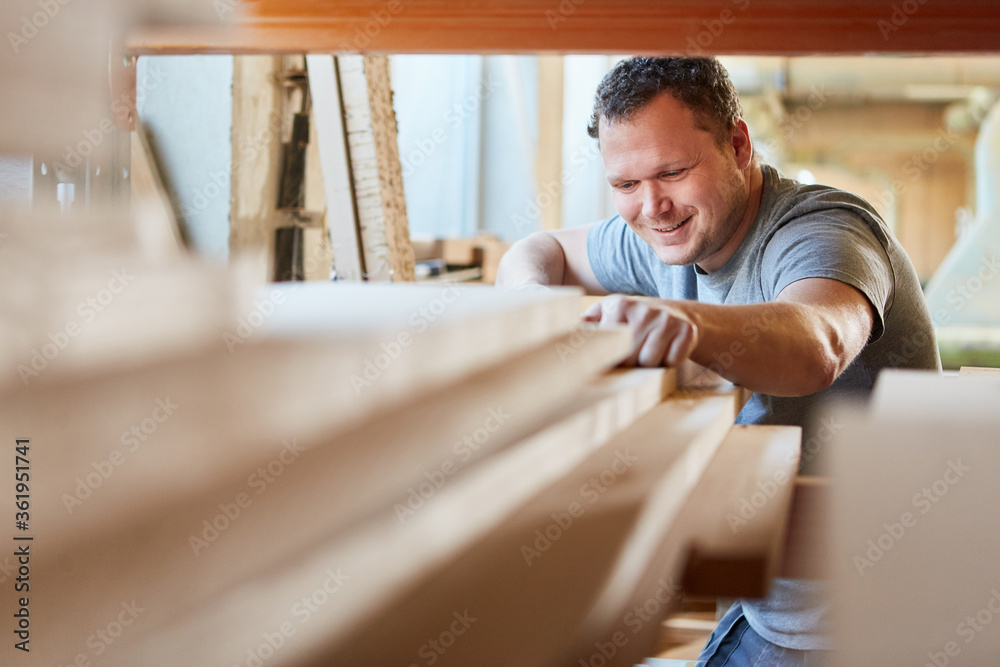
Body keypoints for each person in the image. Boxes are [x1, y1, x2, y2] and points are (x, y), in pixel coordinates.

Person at [495, 56, 940, 665]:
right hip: (765, 597)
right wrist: (532, 304)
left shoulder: (822, 230)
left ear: (737, 144)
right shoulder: (662, 235)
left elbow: (815, 343)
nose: (652, 206)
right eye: (625, 185)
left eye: (672, 172)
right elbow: (537, 249)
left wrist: (682, 325)